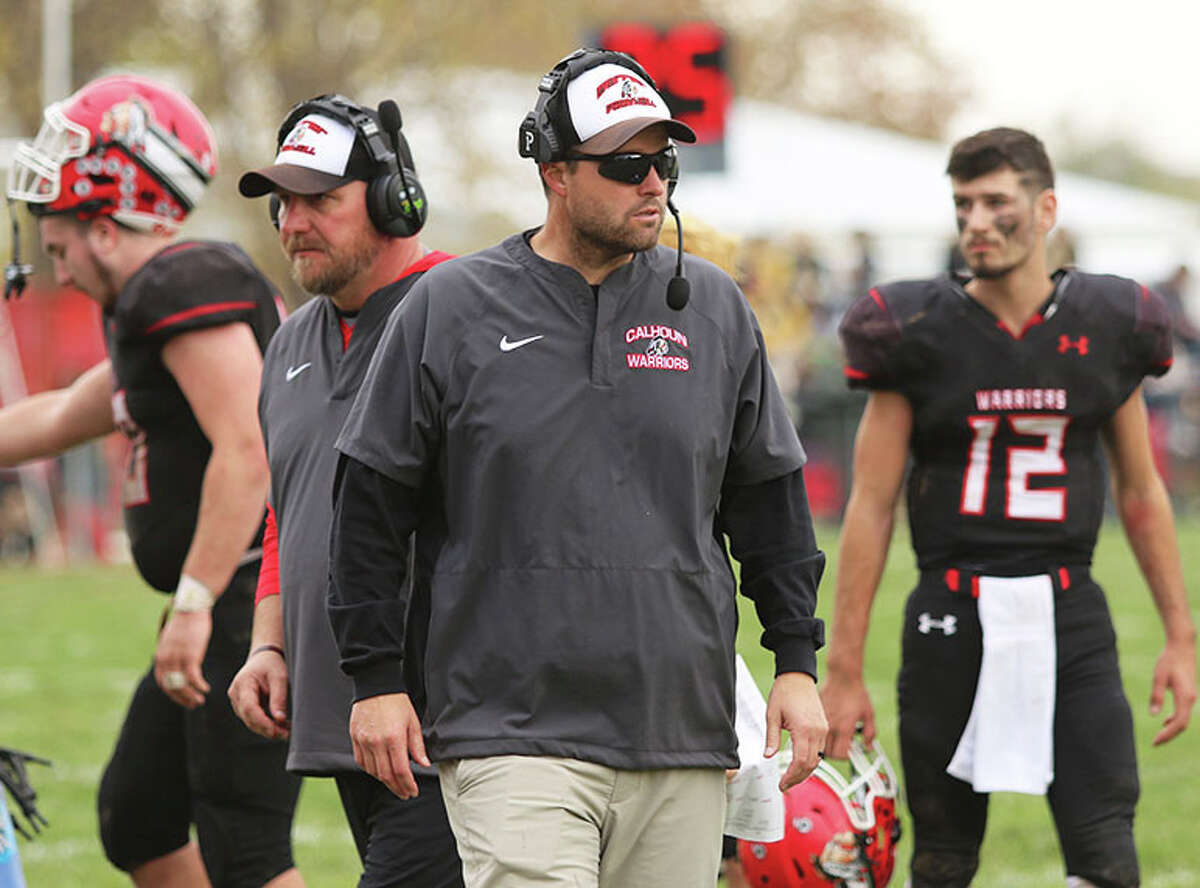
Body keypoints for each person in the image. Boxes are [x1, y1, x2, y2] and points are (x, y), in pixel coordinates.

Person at [325, 47, 828, 888]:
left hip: (680, 728)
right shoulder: (449, 307)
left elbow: (770, 505)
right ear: (554, 171)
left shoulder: (714, 307)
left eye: (662, 159)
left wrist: (798, 664)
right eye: (626, 162)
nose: (653, 182)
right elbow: (370, 507)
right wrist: (375, 680)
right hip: (508, 728)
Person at [820, 127, 1197, 888]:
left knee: (1107, 852)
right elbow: (870, 504)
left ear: (1045, 206)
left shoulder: (1108, 320)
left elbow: (1140, 490)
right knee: (944, 856)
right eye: (963, 204)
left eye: (997, 202)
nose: (977, 222)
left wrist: (1180, 638)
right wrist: (845, 669)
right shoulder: (916, 329)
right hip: (952, 610)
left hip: (1069, 609)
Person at [4, 75, 302, 887]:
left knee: (245, 846)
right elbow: (63, 414)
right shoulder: (153, 301)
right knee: (139, 814)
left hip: (253, 597)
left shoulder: (179, 284)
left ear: (106, 220)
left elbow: (248, 448)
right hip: (228, 594)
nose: (55, 270)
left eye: (58, 245)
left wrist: (198, 602)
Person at [226, 93, 463, 888]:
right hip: (353, 724)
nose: (294, 222)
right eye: (283, 203)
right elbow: (285, 510)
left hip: (457, 724)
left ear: (397, 201)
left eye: (320, 199)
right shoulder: (292, 337)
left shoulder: (468, 315)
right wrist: (270, 642)